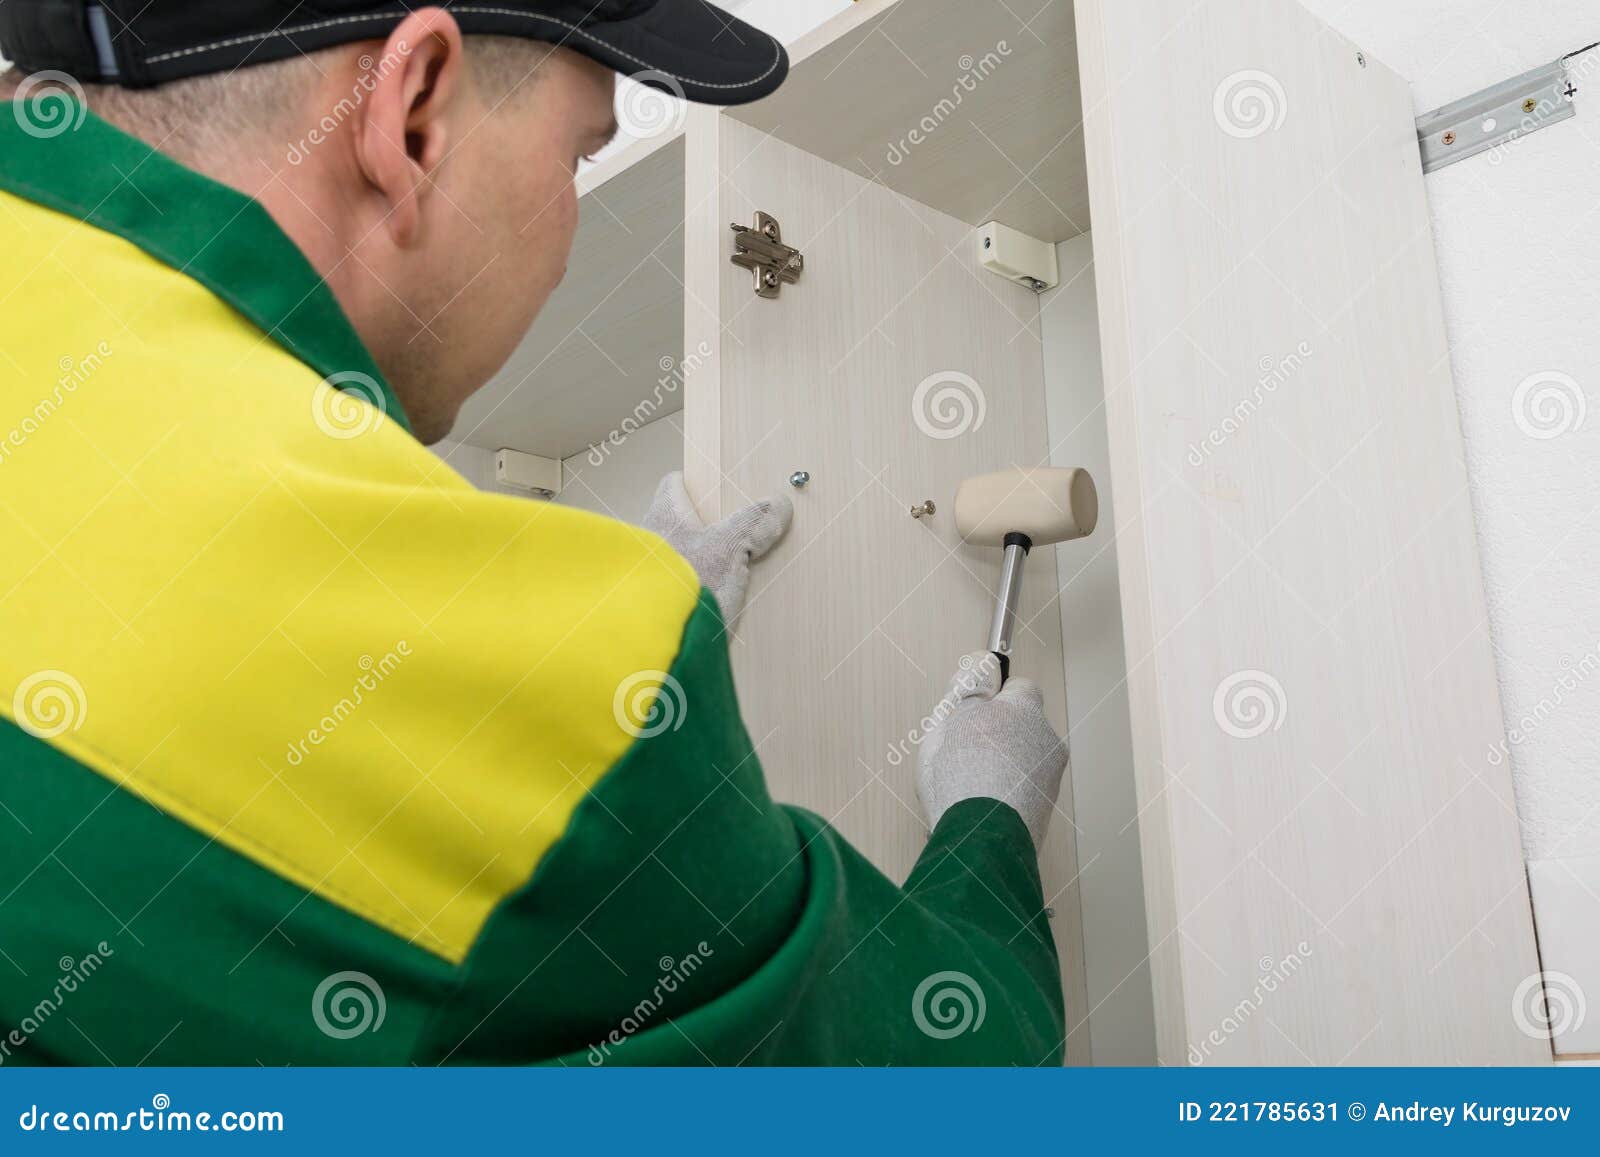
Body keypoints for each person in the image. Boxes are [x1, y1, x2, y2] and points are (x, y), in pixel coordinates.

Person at [0, 1, 1071, 1065]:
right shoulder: (520, 666)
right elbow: (956, 1069)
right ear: (412, 113)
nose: (566, 236)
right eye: (576, 154)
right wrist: (988, 816)